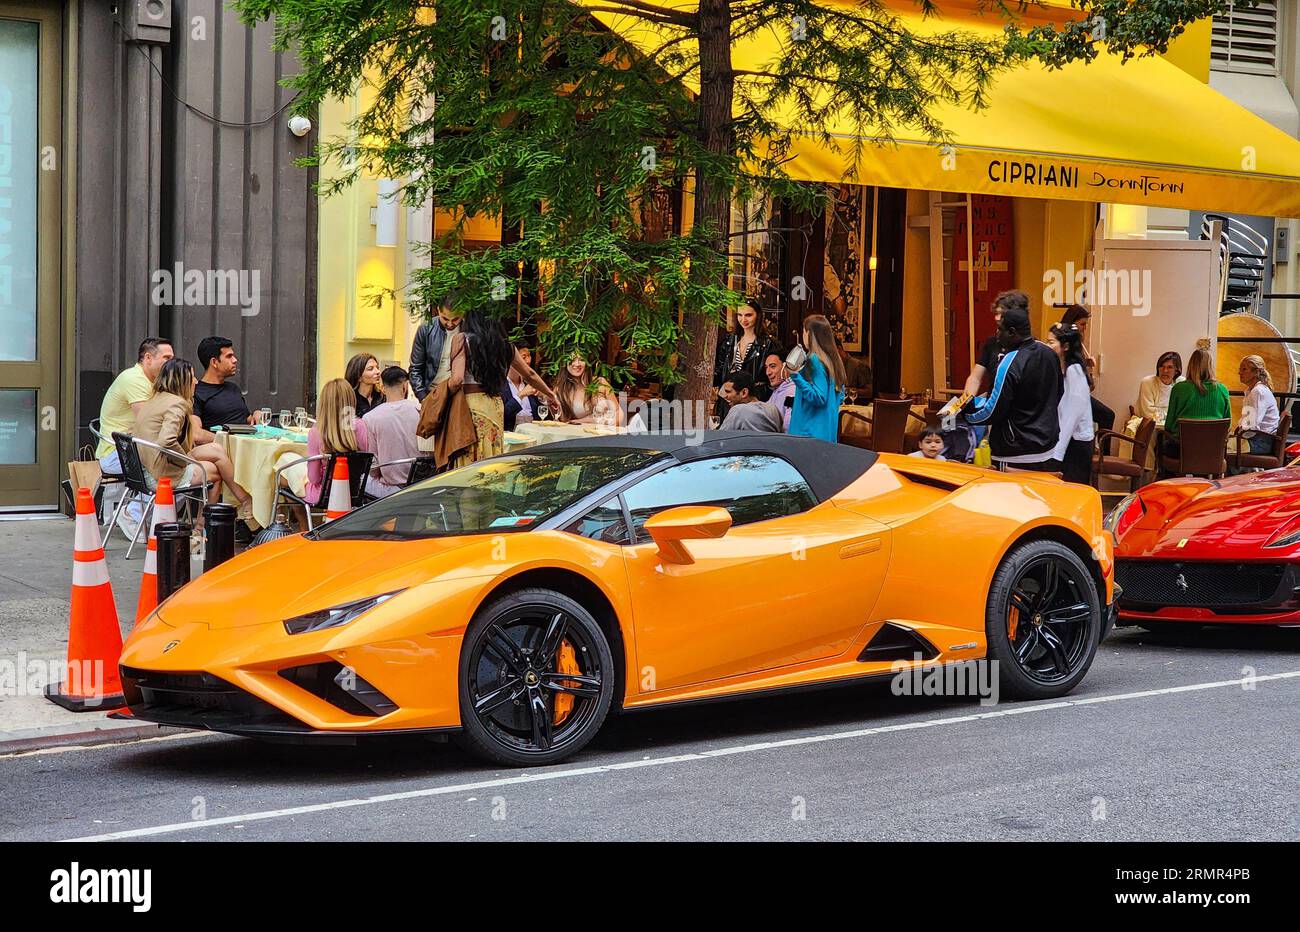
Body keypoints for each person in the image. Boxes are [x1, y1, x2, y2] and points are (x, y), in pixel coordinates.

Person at [135, 359, 253, 526]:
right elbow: (166, 440)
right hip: (162, 473)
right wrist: (184, 460)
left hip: (148, 467)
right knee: (215, 473)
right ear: (182, 381)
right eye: (192, 377)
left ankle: (245, 500)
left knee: (217, 449)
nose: (196, 381)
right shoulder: (177, 404)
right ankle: (201, 527)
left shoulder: (156, 399)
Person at [963, 307, 1062, 472]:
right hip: (1047, 449)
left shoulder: (1010, 362)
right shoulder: (1049, 353)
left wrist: (965, 413)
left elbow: (992, 410)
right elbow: (1059, 393)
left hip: (1014, 453)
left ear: (1011, 332)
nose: (996, 333)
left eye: (1000, 329)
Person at [96, 337, 174, 538]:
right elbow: (151, 423)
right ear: (148, 358)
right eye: (167, 358)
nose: (171, 363)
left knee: (188, 468)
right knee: (173, 468)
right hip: (116, 453)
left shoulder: (153, 381)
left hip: (136, 449)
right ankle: (132, 513)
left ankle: (143, 515)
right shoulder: (134, 379)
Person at [287, 378, 373, 505]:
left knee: (285, 473)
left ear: (324, 403)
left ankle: (299, 523)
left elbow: (314, 478)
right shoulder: (361, 426)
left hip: (323, 494)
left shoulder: (317, 432)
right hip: (352, 492)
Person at [362, 366, 422, 496]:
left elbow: (373, 465)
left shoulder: (370, 418)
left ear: (383, 389)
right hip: (422, 484)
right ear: (405, 387)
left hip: (391, 489)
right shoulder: (421, 410)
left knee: (360, 479)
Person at [1047, 322, 1095, 484]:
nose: (1048, 346)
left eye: (1051, 342)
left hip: (1076, 444)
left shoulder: (1073, 370)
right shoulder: (1065, 367)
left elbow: (1071, 415)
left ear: (1065, 346)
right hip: (1069, 440)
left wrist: (1057, 453)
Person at [1162, 348, 1231, 459]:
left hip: (1182, 451)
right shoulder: (1222, 389)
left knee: (1160, 444)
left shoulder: (1179, 388)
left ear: (1191, 365)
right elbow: (1228, 424)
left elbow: (1169, 425)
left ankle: (1170, 476)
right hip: (1213, 451)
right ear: (1211, 366)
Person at [788, 314, 846, 444]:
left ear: (809, 334)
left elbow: (819, 397)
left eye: (803, 331)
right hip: (827, 434)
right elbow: (841, 396)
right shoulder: (834, 362)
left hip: (808, 435)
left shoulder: (814, 360)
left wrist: (795, 376)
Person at [1058, 304, 1116, 432]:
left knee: (1106, 416)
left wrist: (1086, 364)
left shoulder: (1077, 344)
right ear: (1072, 324)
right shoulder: (1064, 344)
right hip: (1068, 395)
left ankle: (1097, 450)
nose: (1084, 329)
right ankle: (1101, 451)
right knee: (1107, 415)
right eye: (1082, 324)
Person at [962, 290, 1029, 397]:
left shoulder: (1030, 348)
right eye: (996, 313)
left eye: (1000, 314)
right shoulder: (992, 343)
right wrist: (966, 401)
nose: (996, 318)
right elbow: (975, 377)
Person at [714, 300, 779, 404]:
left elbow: (771, 377)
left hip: (753, 400)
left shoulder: (767, 344)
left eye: (748, 315)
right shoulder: (729, 341)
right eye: (740, 315)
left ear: (758, 315)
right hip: (728, 399)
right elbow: (719, 370)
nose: (743, 319)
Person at [192, 336, 259, 435]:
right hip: (222, 448)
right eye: (229, 356)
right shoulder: (196, 393)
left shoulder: (233, 388)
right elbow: (196, 434)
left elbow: (249, 420)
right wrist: (230, 440)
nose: (235, 360)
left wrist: (257, 414)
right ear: (214, 362)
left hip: (249, 444)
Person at [408, 295, 462, 402]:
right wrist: (423, 397)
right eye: (445, 318)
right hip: (432, 393)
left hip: (460, 394)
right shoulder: (426, 329)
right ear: (438, 311)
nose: (450, 324)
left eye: (455, 319)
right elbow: (415, 369)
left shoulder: (469, 329)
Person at [554, 352, 625, 426]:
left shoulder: (600, 382)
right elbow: (562, 421)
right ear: (564, 363)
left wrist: (609, 427)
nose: (577, 364)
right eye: (572, 360)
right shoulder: (560, 389)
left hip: (604, 432)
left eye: (581, 359)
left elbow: (618, 412)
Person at [1236, 354, 1280, 455]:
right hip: (1257, 439)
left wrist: (1237, 437)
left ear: (1256, 372)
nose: (1239, 373)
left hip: (1260, 443)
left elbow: (1251, 426)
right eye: (1240, 369)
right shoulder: (1251, 391)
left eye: (1244, 369)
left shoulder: (1258, 392)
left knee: (1220, 447)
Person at [719, 370, 784, 432]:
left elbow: (720, 438)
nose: (725, 396)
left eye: (728, 392)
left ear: (744, 392)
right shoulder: (773, 409)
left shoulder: (738, 410)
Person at [1135, 351, 1182, 424]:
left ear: (1176, 371)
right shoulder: (1147, 382)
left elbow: (1181, 411)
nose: (1165, 370)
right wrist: (1170, 414)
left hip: (1170, 426)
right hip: (1147, 425)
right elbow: (1147, 413)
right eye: (1162, 366)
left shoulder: (1181, 383)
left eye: (1170, 367)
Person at [506, 343, 541, 427]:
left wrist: (543, 398)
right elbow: (503, 414)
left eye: (529, 356)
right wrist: (521, 395)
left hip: (533, 432)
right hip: (511, 434)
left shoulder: (530, 383)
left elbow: (541, 415)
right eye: (524, 357)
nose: (528, 361)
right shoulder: (500, 385)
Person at [345, 353, 384, 418]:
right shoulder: (349, 399)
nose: (378, 371)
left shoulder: (382, 397)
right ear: (358, 376)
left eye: (377, 367)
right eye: (370, 369)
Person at [764, 352, 794, 430]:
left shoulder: (792, 391)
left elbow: (788, 427)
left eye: (772, 366)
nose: (768, 372)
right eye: (766, 367)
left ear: (785, 367)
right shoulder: (777, 391)